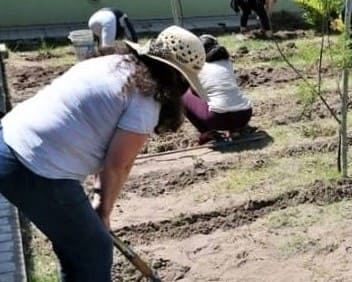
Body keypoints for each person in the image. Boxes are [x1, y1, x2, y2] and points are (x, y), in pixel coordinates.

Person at [0, 25, 206, 281]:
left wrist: (99, 201)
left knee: (78, 245)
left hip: (9, 141)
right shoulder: (144, 101)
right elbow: (117, 166)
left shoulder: (113, 62)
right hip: (34, 166)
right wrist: (103, 212)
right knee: (93, 250)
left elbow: (102, 141)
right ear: (178, 80)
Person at [183, 34, 254, 144]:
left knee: (184, 95)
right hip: (244, 115)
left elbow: (195, 92)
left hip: (217, 119)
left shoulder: (197, 66)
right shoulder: (227, 62)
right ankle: (235, 130)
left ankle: (206, 132)